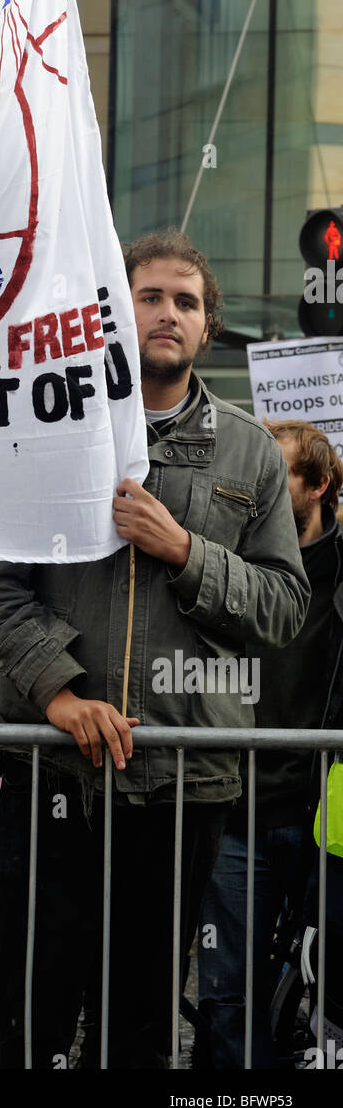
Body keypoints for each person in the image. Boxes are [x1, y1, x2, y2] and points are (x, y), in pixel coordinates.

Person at [0, 230, 310, 1069]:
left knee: (142, 1023)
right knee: (30, 1015)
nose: (166, 313)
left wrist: (186, 550)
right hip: (55, 771)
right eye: (149, 296)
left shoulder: (250, 450)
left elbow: (284, 607)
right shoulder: (52, 427)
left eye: (185, 302)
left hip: (185, 784)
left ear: (207, 327)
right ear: (116, 313)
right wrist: (60, 692)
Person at [197, 419, 343, 1067]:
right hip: (236, 809)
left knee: (318, 989)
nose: (258, 486)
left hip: (320, 820)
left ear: (319, 486)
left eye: (276, 473)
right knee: (230, 990)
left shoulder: (339, 571)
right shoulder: (234, 558)